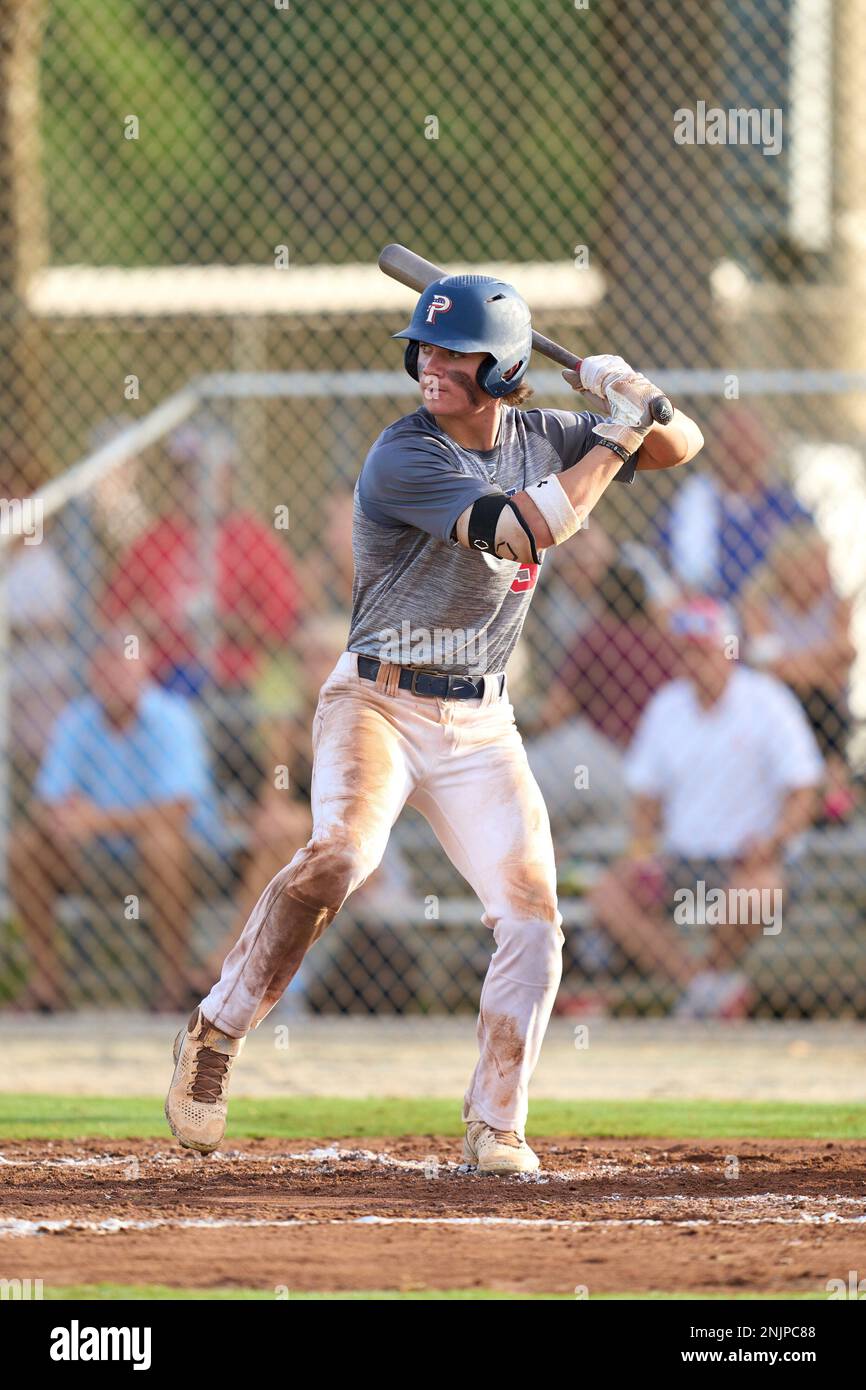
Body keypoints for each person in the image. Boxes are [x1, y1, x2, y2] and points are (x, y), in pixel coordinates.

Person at [166, 271, 704, 1173]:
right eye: (428, 348)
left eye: (458, 353)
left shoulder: (545, 432)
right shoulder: (403, 454)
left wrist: (633, 391)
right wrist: (618, 430)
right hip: (376, 698)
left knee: (533, 918)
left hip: (480, 720)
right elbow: (523, 531)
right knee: (342, 855)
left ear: (505, 369)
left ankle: (497, 1125)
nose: (433, 365)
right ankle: (216, 1030)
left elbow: (681, 444)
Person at [590, 597, 823, 1018]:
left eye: (703, 650)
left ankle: (705, 988)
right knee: (607, 893)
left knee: (755, 896)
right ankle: (705, 987)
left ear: (728, 649)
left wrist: (773, 843)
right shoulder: (666, 707)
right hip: (683, 861)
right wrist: (642, 854)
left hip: (752, 860)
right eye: (685, 651)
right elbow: (645, 800)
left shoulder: (768, 701)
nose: (694, 662)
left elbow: (804, 790)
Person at [9, 634, 226, 1012]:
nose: (113, 677)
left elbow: (177, 811)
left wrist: (96, 821)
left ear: (144, 670)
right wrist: (59, 820)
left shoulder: (172, 717)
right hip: (93, 858)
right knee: (24, 847)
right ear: (92, 674)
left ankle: (173, 987)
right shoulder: (77, 719)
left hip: (180, 860)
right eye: (104, 666)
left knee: (161, 843)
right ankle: (46, 986)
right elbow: (46, 801)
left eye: (123, 666)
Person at [526, 558, 678, 829]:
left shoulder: (598, 636)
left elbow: (553, 713)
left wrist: (524, 726)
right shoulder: (663, 641)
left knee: (523, 769)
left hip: (603, 757)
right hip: (653, 767)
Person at [742, 523, 856, 822]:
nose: (827, 571)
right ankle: (803, 797)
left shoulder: (837, 604)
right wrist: (819, 661)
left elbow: (846, 655)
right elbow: (765, 664)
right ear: (791, 566)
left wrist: (792, 664)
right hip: (775, 698)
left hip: (823, 699)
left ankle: (832, 794)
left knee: (824, 704)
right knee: (794, 699)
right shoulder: (758, 602)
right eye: (818, 563)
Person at [661, 406, 809, 600]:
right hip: (707, 607)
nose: (739, 452)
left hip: (767, 610)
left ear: (765, 447)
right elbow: (671, 559)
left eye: (747, 441)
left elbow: (808, 560)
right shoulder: (696, 497)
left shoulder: (782, 504)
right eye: (729, 443)